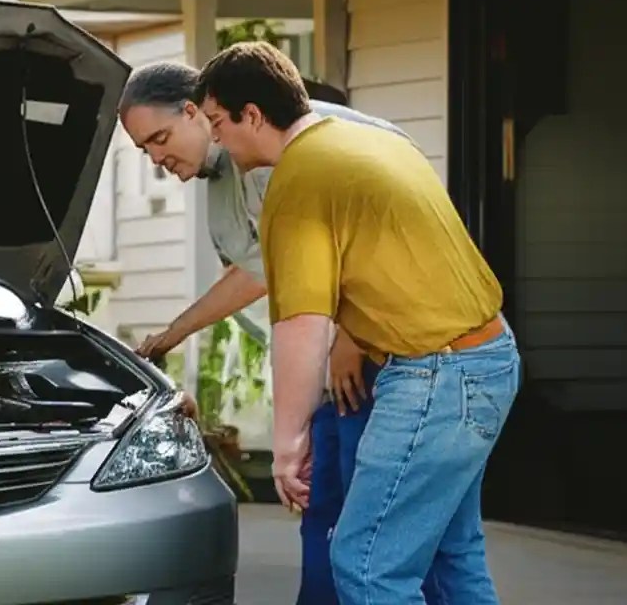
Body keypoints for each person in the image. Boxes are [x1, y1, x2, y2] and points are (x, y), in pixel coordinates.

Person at [196, 41, 519, 605]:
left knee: (367, 566)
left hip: (436, 375)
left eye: (219, 122)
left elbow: (302, 322)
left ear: (253, 114)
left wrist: (288, 441)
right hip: (489, 358)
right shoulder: (374, 141)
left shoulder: (297, 181)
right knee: (453, 555)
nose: (215, 138)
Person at [117, 62, 438, 604]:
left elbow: (377, 230)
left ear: (197, 112)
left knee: (367, 538)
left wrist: (351, 341)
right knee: (334, 523)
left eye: (160, 138)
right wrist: (170, 336)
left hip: (371, 364)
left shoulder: (288, 151)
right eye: (145, 149)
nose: (157, 158)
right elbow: (259, 270)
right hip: (327, 366)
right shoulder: (229, 170)